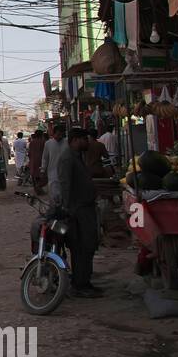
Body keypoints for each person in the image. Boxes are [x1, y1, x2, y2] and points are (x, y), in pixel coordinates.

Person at [57, 127, 101, 297]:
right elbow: (65, 185)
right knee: (80, 248)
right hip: (78, 211)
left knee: (88, 247)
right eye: (84, 139)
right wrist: (68, 210)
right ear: (75, 140)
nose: (87, 142)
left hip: (85, 209)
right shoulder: (67, 158)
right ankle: (79, 284)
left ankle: (85, 281)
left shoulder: (77, 157)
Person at [42, 123, 67, 205]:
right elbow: (45, 158)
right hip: (53, 172)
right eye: (58, 134)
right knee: (54, 193)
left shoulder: (67, 143)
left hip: (65, 172)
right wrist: (43, 169)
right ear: (54, 133)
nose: (60, 136)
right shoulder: (48, 144)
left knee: (65, 193)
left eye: (61, 134)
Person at [28, 129, 47, 195]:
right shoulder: (44, 142)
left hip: (33, 161)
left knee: (35, 176)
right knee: (43, 176)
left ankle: (37, 189)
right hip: (41, 161)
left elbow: (29, 153)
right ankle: (39, 188)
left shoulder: (32, 142)